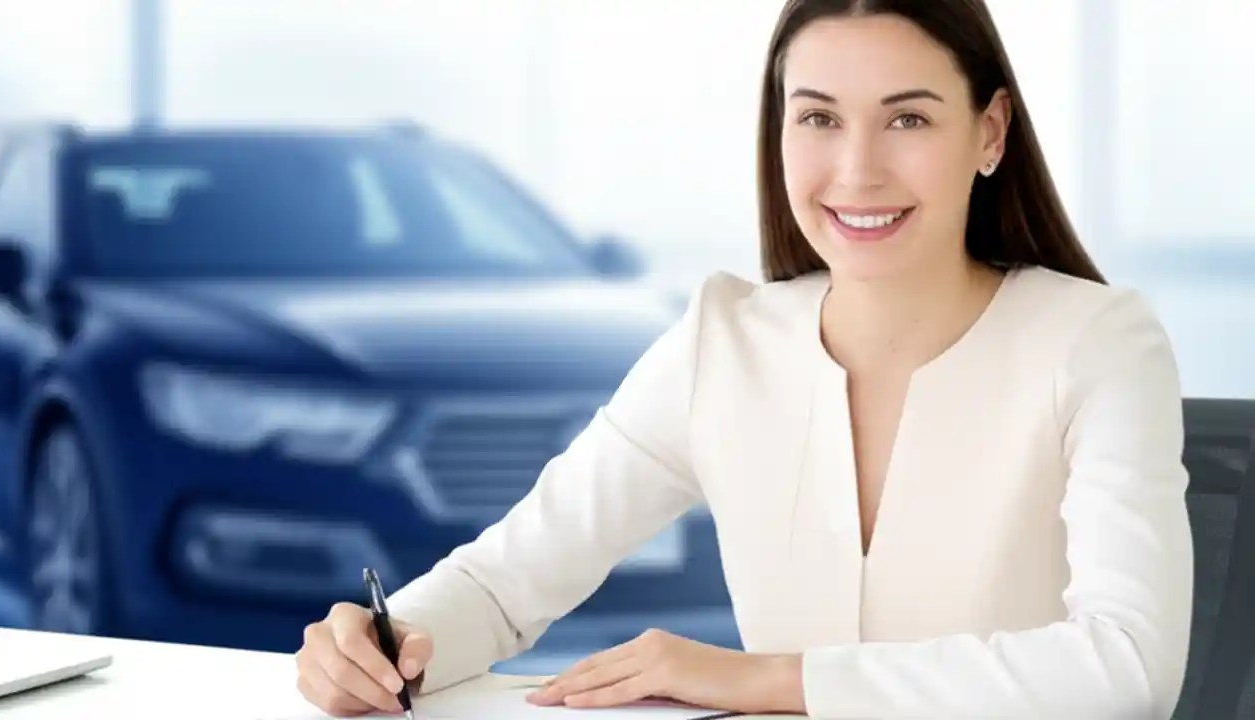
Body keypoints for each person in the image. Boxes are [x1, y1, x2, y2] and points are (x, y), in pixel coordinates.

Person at [295, 0, 1194, 717]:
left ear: (990, 132)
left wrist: (763, 680)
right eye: (818, 118)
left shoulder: (1100, 342)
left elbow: (1126, 667)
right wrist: (386, 643)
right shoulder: (722, 340)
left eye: (908, 118)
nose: (857, 170)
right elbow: (505, 583)